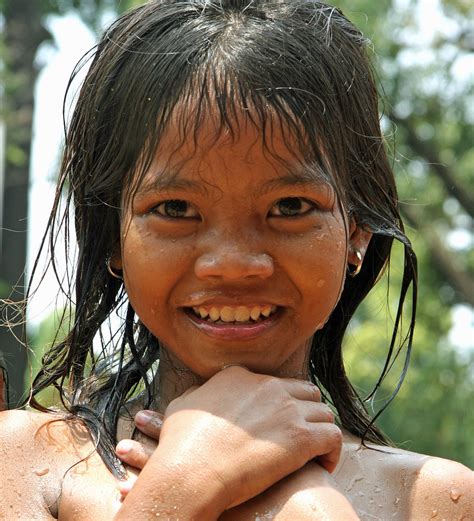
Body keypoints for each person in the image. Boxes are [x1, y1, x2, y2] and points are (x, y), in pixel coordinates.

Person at [0, 0, 472, 519]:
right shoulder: (27, 463)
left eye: (290, 207)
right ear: (112, 235)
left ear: (355, 231)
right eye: (176, 209)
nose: (233, 264)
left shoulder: (432, 500)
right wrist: (183, 485)